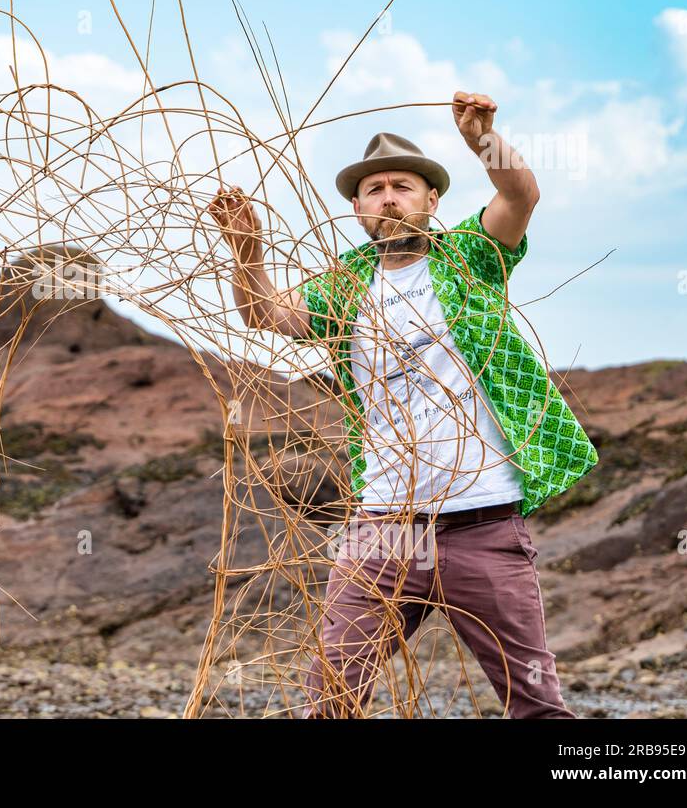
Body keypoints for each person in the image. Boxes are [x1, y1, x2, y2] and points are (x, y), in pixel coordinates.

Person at [208, 91, 599, 718]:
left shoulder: (469, 256)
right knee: (330, 699)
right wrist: (246, 250)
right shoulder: (344, 284)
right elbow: (264, 313)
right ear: (357, 208)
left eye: (403, 186)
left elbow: (521, 196)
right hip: (381, 529)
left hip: (484, 522)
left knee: (535, 704)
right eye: (374, 189)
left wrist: (482, 142)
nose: (388, 196)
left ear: (431, 200)